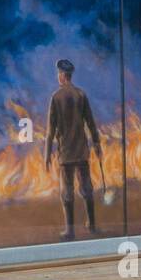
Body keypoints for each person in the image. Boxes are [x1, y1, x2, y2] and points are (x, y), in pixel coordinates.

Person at [44, 58, 103, 241]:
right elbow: (91, 123)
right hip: (81, 151)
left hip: (66, 154)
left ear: (62, 76)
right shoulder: (81, 95)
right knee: (86, 187)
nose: (58, 77)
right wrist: (97, 144)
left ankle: (70, 230)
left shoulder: (56, 97)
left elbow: (50, 131)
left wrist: (46, 154)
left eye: (59, 74)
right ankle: (92, 225)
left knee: (67, 191)